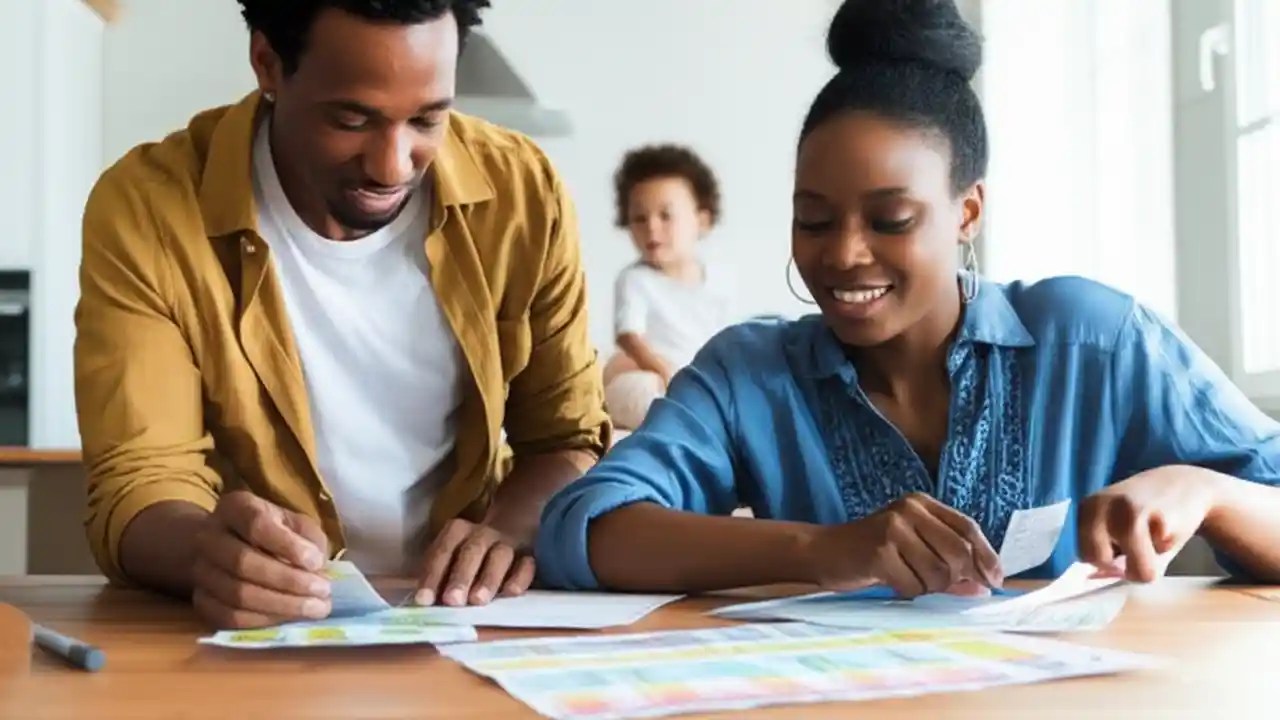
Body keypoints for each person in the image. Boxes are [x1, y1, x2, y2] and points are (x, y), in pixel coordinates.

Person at [535, 0, 1280, 597]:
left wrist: (1205, 489)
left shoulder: (1094, 341)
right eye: (813, 219)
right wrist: (825, 549)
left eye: (891, 220)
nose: (843, 253)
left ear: (968, 212)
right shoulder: (749, 374)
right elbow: (583, 528)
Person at [74, 0, 610, 630]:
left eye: (427, 120)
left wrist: (507, 530)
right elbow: (140, 478)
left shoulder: (524, 193)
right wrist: (207, 556)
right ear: (268, 64)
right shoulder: (149, 210)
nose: (391, 165)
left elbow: (565, 439)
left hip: (472, 627)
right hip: (254, 646)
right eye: (352, 120)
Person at [602, 145, 737, 430]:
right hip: (655, 371)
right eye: (639, 218)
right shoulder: (635, 279)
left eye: (665, 216)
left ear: (702, 220)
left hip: (700, 375)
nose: (652, 227)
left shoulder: (719, 279)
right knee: (637, 387)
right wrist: (661, 369)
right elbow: (629, 336)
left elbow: (726, 337)